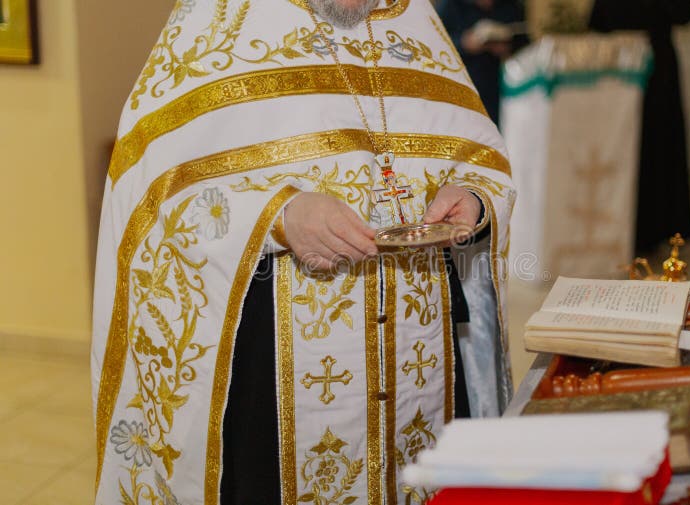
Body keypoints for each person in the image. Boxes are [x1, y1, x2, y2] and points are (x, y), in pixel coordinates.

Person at [91, 1, 515, 504]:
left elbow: (481, 156)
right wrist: (278, 218)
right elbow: (153, 192)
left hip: (424, 377)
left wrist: (473, 198)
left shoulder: (413, 19)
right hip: (266, 379)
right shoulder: (220, 19)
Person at [588, 0, 690, 254]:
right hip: (618, 69)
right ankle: (619, 227)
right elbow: (595, 23)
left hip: (657, 71)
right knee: (622, 145)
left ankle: (658, 230)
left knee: (658, 147)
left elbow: (686, 14)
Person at [437, 0, 528, 125]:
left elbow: (525, 43)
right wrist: (463, 43)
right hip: (459, 88)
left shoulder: (513, 6)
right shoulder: (449, 5)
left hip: (501, 89)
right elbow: (432, 43)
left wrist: (508, 47)